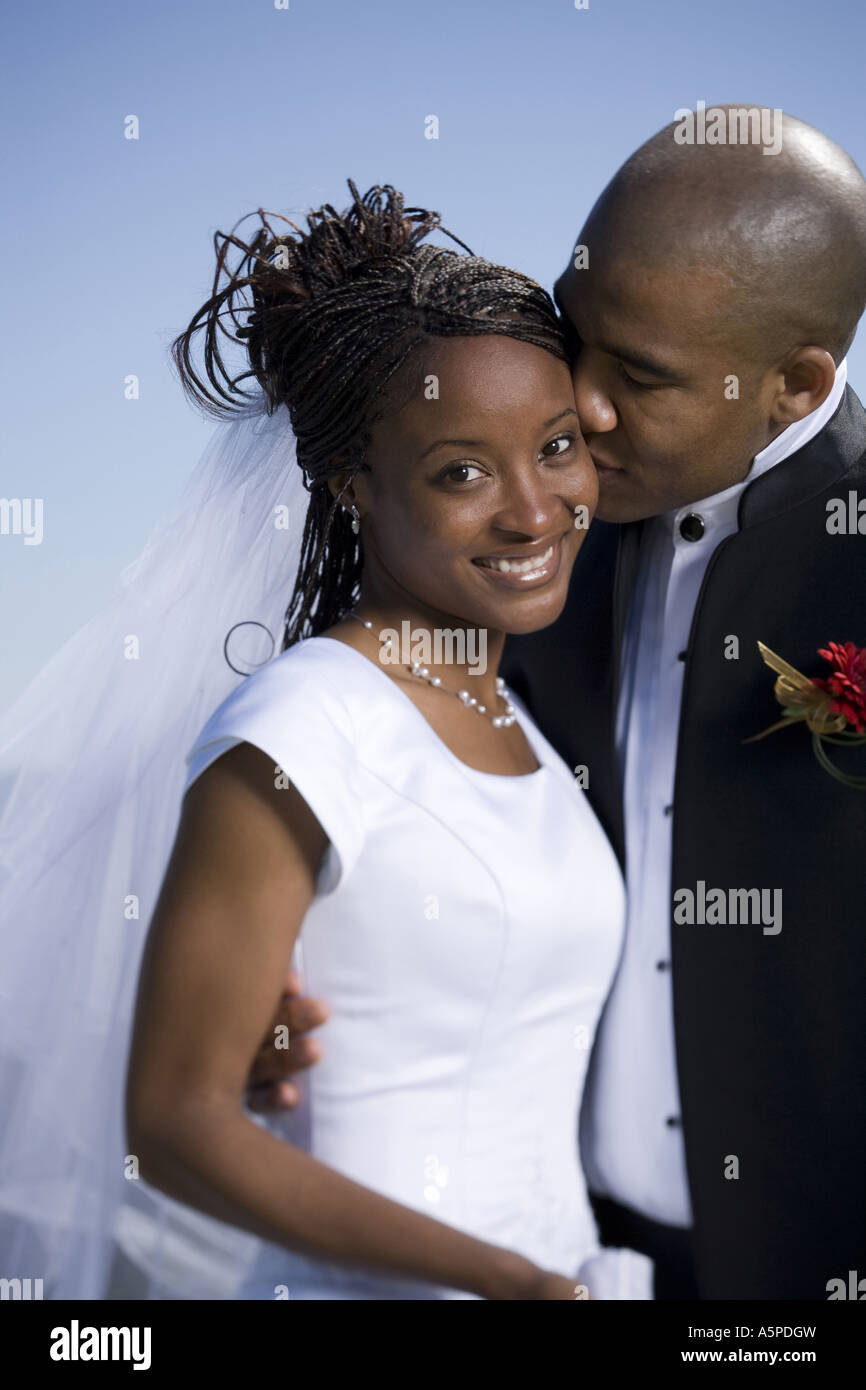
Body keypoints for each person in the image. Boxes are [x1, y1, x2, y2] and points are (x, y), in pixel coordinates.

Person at [250, 112, 866, 1300]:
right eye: (575, 342)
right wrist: (280, 971)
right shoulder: (526, 541)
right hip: (555, 1250)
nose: (578, 405)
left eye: (636, 377)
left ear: (793, 386)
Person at [123, 182, 653, 1300]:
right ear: (352, 483)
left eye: (554, 447)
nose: (532, 510)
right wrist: (513, 1282)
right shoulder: (301, 730)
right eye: (460, 471)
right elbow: (172, 1124)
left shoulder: (515, 717)